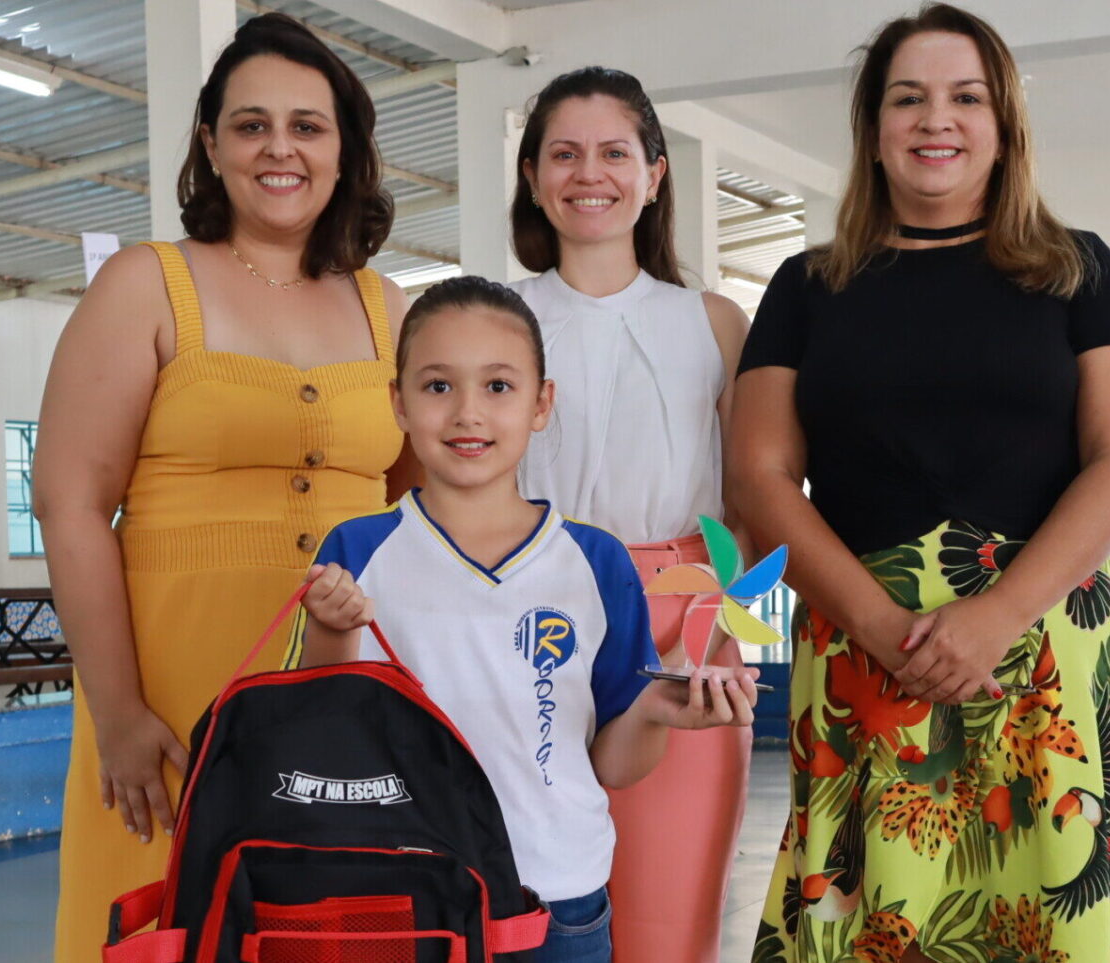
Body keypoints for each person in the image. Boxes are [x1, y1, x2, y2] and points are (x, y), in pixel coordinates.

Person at [729, 5, 1110, 962]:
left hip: (1048, 648)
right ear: (874, 131)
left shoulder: (1079, 270)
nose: (938, 120)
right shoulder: (806, 289)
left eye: (966, 97)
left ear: (1003, 127)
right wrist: (885, 630)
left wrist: (998, 614)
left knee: (1056, 917)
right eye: (908, 98)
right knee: (876, 918)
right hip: (862, 655)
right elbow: (758, 479)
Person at [33, 13, 416, 960]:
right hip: (170, 688)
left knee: (317, 924)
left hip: (337, 681)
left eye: (307, 125)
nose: (278, 148)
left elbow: (427, 512)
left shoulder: (389, 306)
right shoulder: (147, 284)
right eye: (250, 125)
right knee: (158, 921)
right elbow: (71, 503)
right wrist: (118, 711)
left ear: (344, 150)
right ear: (210, 144)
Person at [296, 276, 762, 963]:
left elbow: (615, 763)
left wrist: (658, 713)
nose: (467, 413)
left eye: (498, 386)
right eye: (436, 386)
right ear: (396, 402)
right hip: (398, 897)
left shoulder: (594, 561)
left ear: (543, 403)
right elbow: (322, 732)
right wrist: (333, 631)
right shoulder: (358, 551)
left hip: (560, 901)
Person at [505, 66, 754, 963]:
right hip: (525, 615)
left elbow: (754, 501)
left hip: (683, 617)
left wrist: (730, 631)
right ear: (533, 176)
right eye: (563, 154)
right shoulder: (497, 316)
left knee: (669, 913)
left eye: (615, 152)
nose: (589, 173)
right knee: (527, 906)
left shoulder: (715, 322)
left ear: (654, 174)